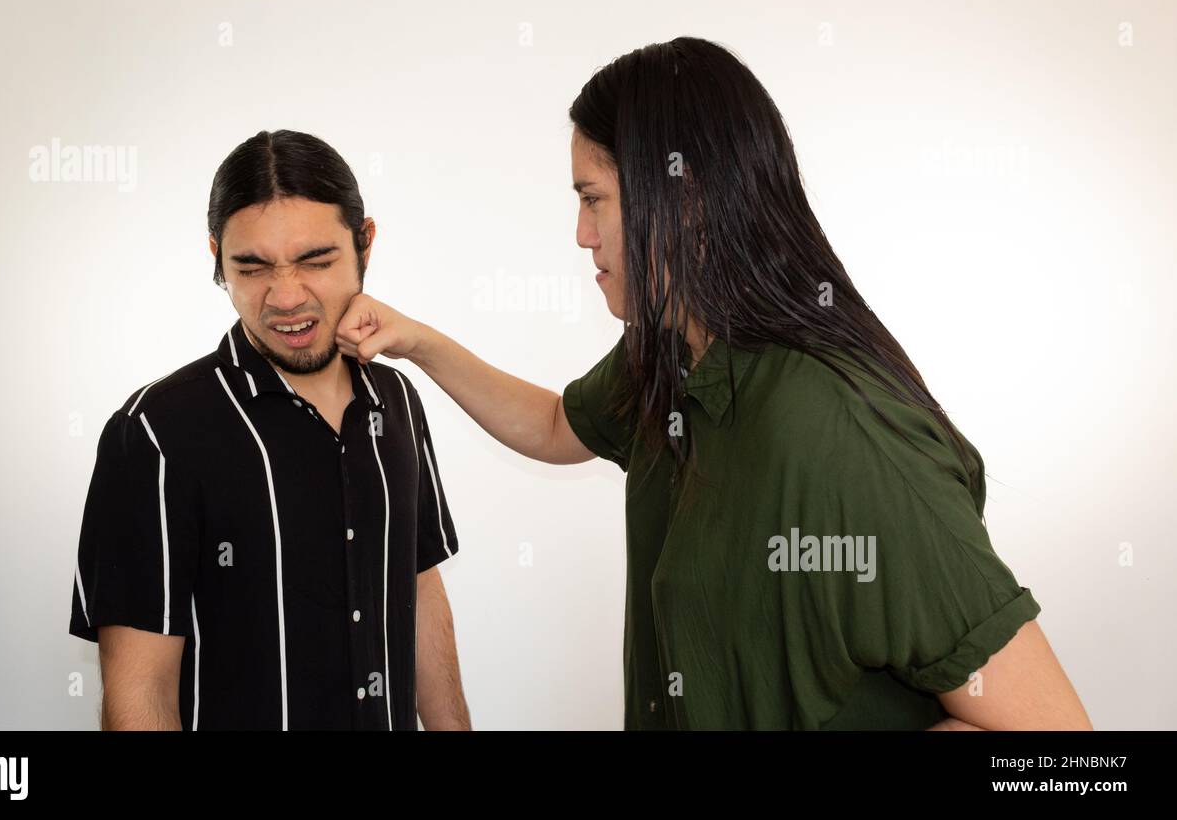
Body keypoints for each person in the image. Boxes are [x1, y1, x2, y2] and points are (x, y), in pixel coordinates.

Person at [335, 36, 1091, 730]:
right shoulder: (669, 354)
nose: (581, 234)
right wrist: (418, 343)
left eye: (593, 198)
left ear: (685, 197)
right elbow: (558, 427)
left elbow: (1063, 750)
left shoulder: (841, 434)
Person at [69, 129, 469, 730]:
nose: (285, 297)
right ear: (217, 259)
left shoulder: (398, 401)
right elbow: (140, 694)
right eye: (252, 267)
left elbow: (419, 590)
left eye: (316, 260)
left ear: (365, 243)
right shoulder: (155, 434)